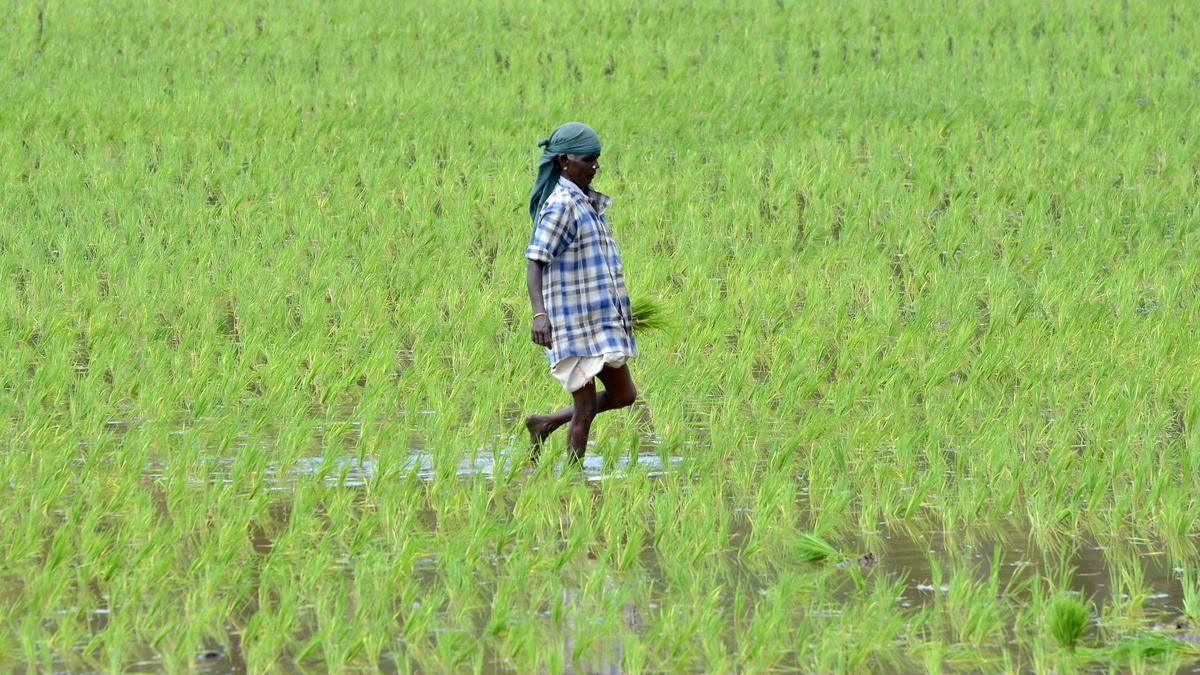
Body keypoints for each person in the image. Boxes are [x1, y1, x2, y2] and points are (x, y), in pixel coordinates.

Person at [523, 122, 638, 462]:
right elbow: (535, 262)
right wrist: (539, 315)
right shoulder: (561, 205)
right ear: (564, 162)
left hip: (597, 323)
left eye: (597, 159)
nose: (595, 166)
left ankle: (544, 423)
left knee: (624, 395)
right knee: (584, 410)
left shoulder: (585, 202)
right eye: (588, 160)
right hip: (571, 325)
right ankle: (573, 484)